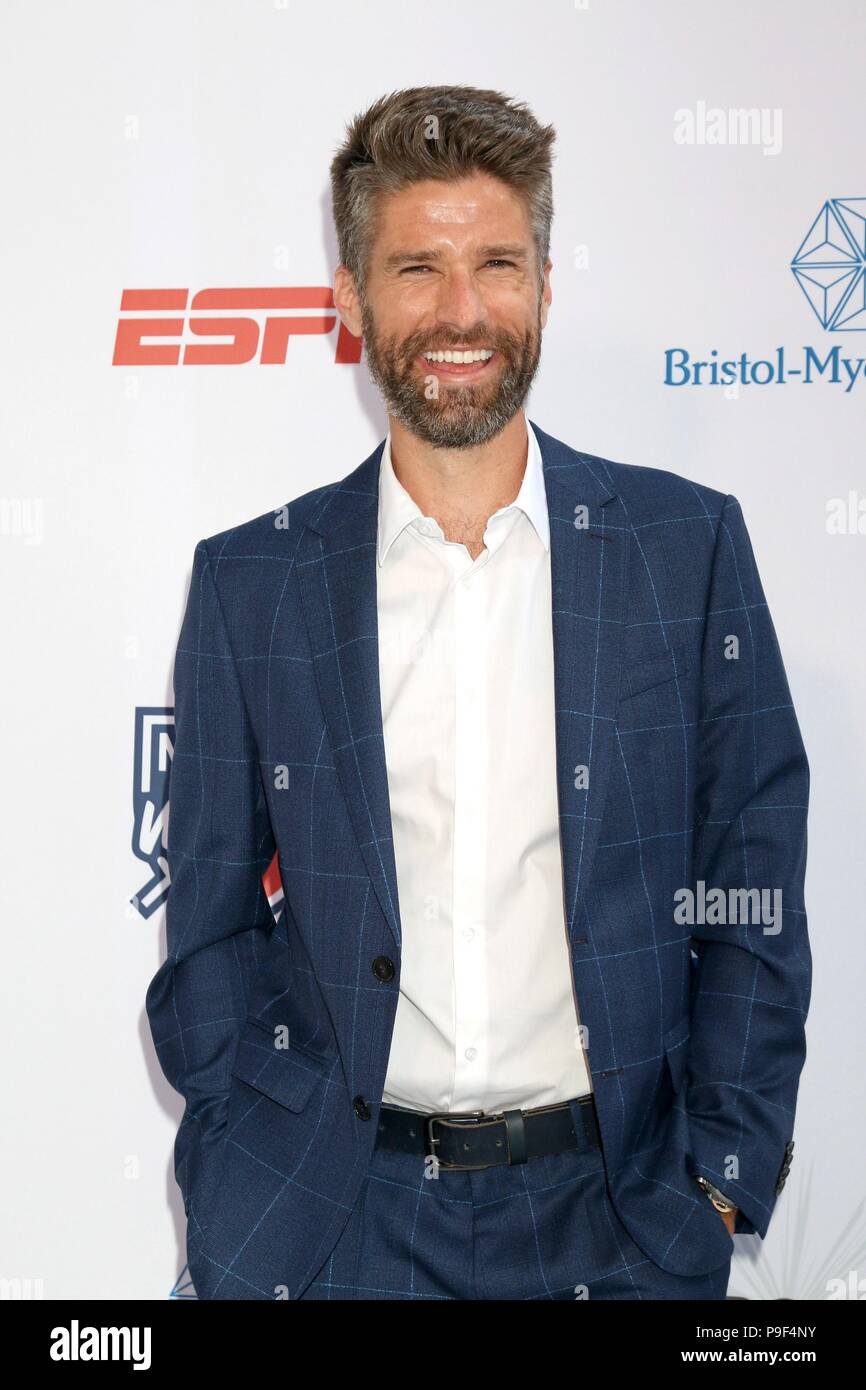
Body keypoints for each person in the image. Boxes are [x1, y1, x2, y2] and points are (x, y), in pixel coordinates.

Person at [145, 85, 811, 1300]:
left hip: (620, 1224)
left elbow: (752, 887)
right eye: (417, 267)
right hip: (333, 1225)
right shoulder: (254, 585)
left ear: (546, 283)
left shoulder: (683, 548)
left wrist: (714, 1181)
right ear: (348, 298)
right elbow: (209, 937)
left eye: (497, 262)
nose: (463, 311)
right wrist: (246, 1153)